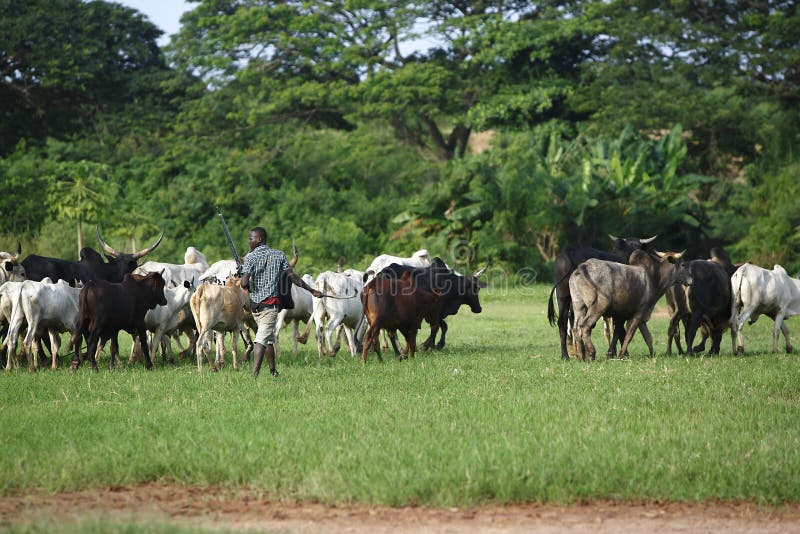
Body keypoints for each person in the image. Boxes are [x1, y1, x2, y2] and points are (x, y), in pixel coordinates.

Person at [241, 227, 322, 378]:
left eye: (251, 239)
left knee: (261, 339)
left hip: (256, 306)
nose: (249, 242)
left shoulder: (251, 257)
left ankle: (254, 376)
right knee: (267, 338)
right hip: (270, 305)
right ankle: (271, 371)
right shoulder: (279, 255)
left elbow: (244, 283)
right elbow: (294, 278)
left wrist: (247, 285)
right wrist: (312, 291)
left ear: (259, 239)